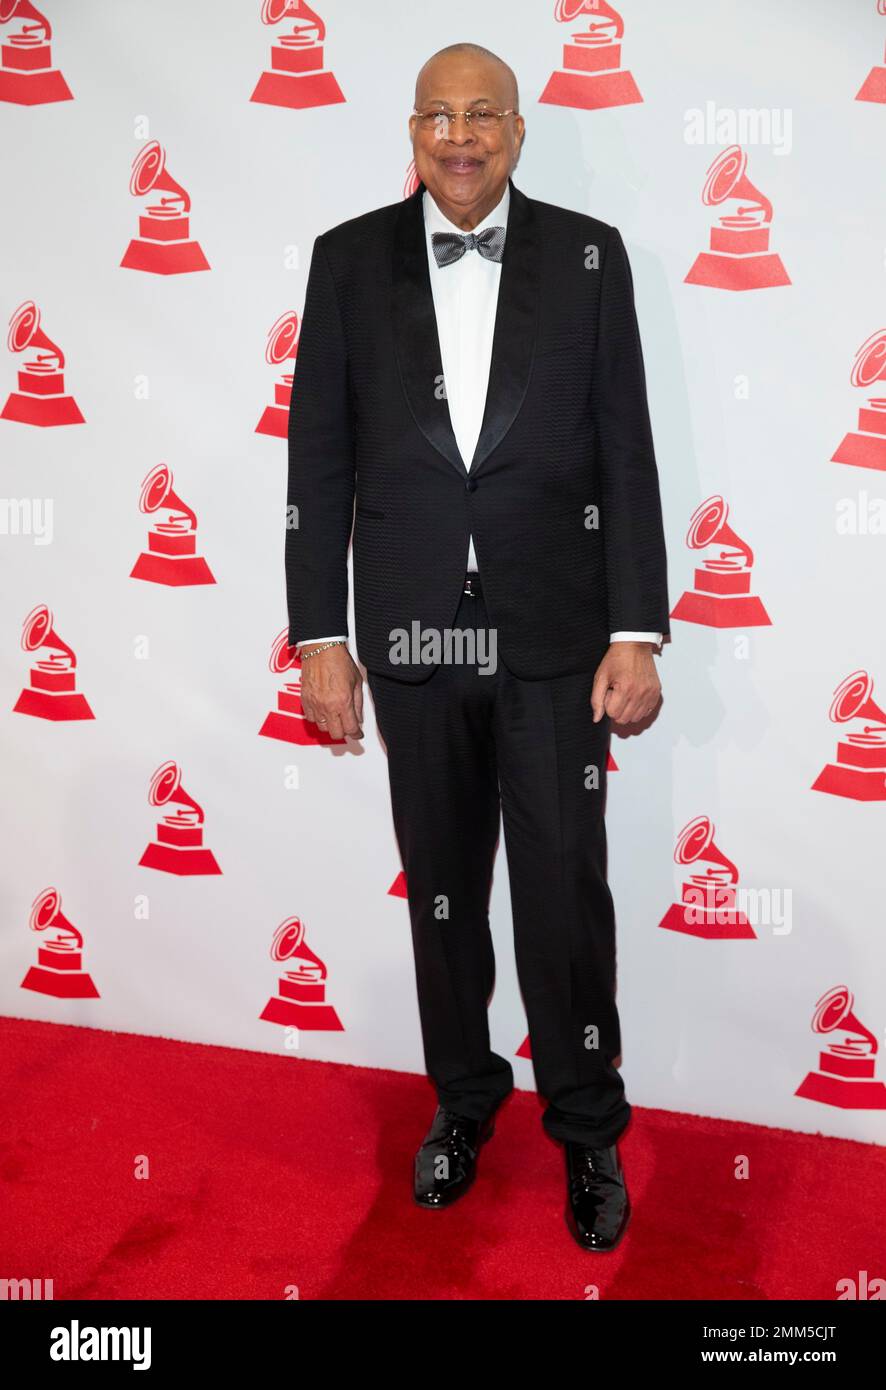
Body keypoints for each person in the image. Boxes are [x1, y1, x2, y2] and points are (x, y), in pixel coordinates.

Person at [285, 42, 669, 1252]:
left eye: (481, 116)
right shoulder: (346, 260)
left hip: (555, 635)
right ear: (412, 131)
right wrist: (320, 637)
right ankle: (461, 1103)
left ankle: (587, 1125)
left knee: (564, 898)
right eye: (438, 116)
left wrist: (634, 627)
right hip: (409, 636)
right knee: (443, 898)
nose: (460, 136)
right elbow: (318, 462)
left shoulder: (590, 254)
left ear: (517, 129)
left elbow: (626, 449)